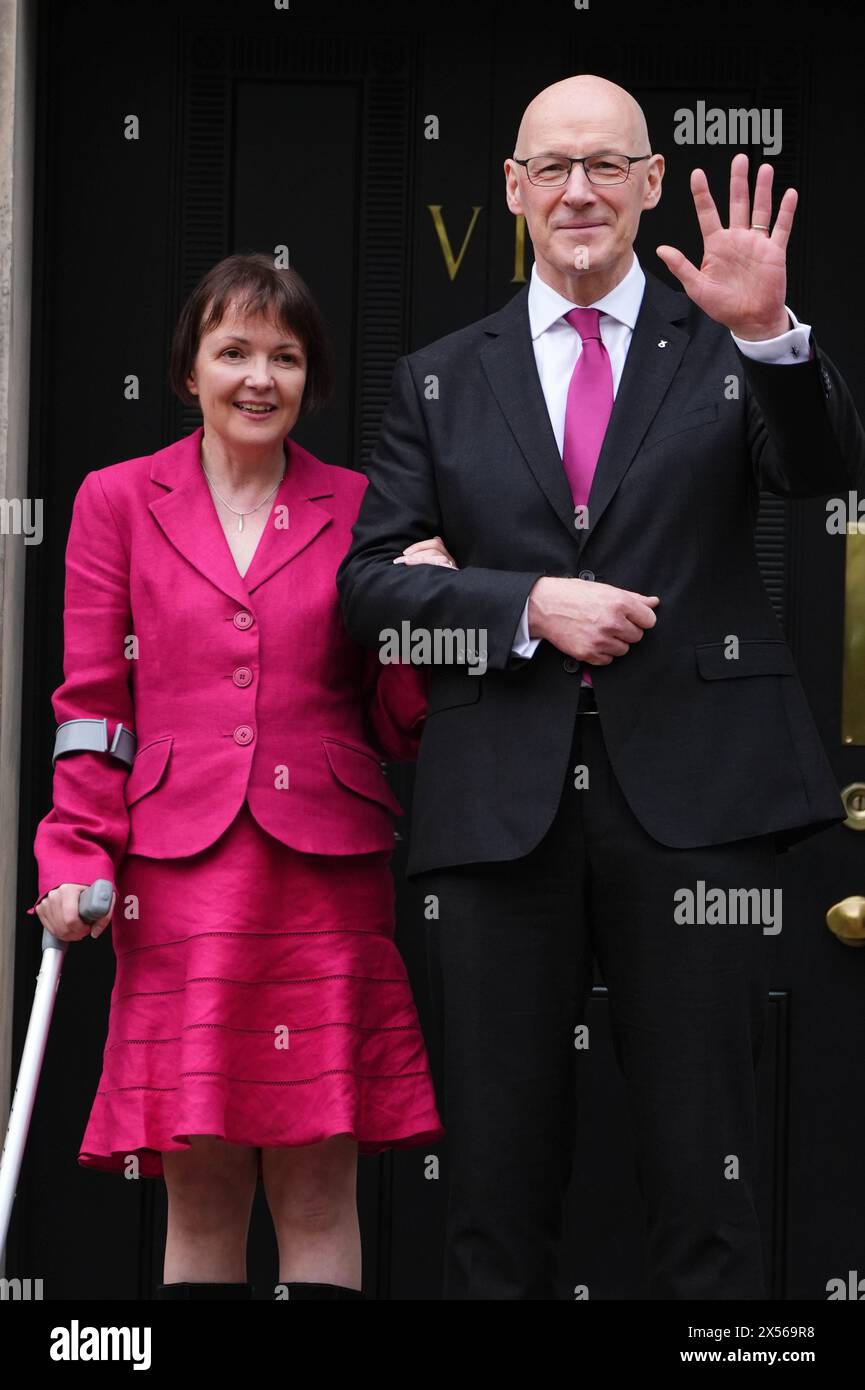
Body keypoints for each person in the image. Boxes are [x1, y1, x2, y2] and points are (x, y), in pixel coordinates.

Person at [337, 75, 865, 1299]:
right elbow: (367, 587)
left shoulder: (721, 344)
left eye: (605, 165)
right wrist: (523, 604)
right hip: (494, 818)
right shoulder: (438, 377)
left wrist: (768, 335)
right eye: (552, 167)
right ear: (513, 192)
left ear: (643, 184)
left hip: (695, 812)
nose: (578, 190)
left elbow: (822, 465)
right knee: (495, 1188)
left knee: (704, 1173)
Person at [29, 252, 452, 1301]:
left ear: (310, 378)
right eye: (234, 352)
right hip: (174, 879)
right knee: (202, 1183)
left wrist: (421, 620)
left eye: (285, 356)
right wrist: (75, 850)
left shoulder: (364, 507)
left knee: (317, 1186)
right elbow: (93, 703)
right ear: (190, 370)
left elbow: (400, 725)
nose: (259, 377)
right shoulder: (116, 501)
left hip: (326, 879)